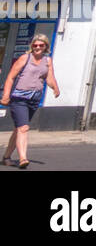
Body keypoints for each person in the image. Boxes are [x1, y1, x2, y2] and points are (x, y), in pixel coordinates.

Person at [2, 35, 60, 169]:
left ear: (46, 46)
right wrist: (6, 95)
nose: (37, 48)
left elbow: (49, 78)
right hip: (19, 99)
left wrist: (55, 88)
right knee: (24, 128)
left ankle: (6, 157)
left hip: (34, 100)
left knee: (19, 129)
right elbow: (10, 77)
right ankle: (23, 158)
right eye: (35, 45)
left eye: (41, 45)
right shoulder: (25, 58)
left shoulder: (47, 61)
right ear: (31, 46)